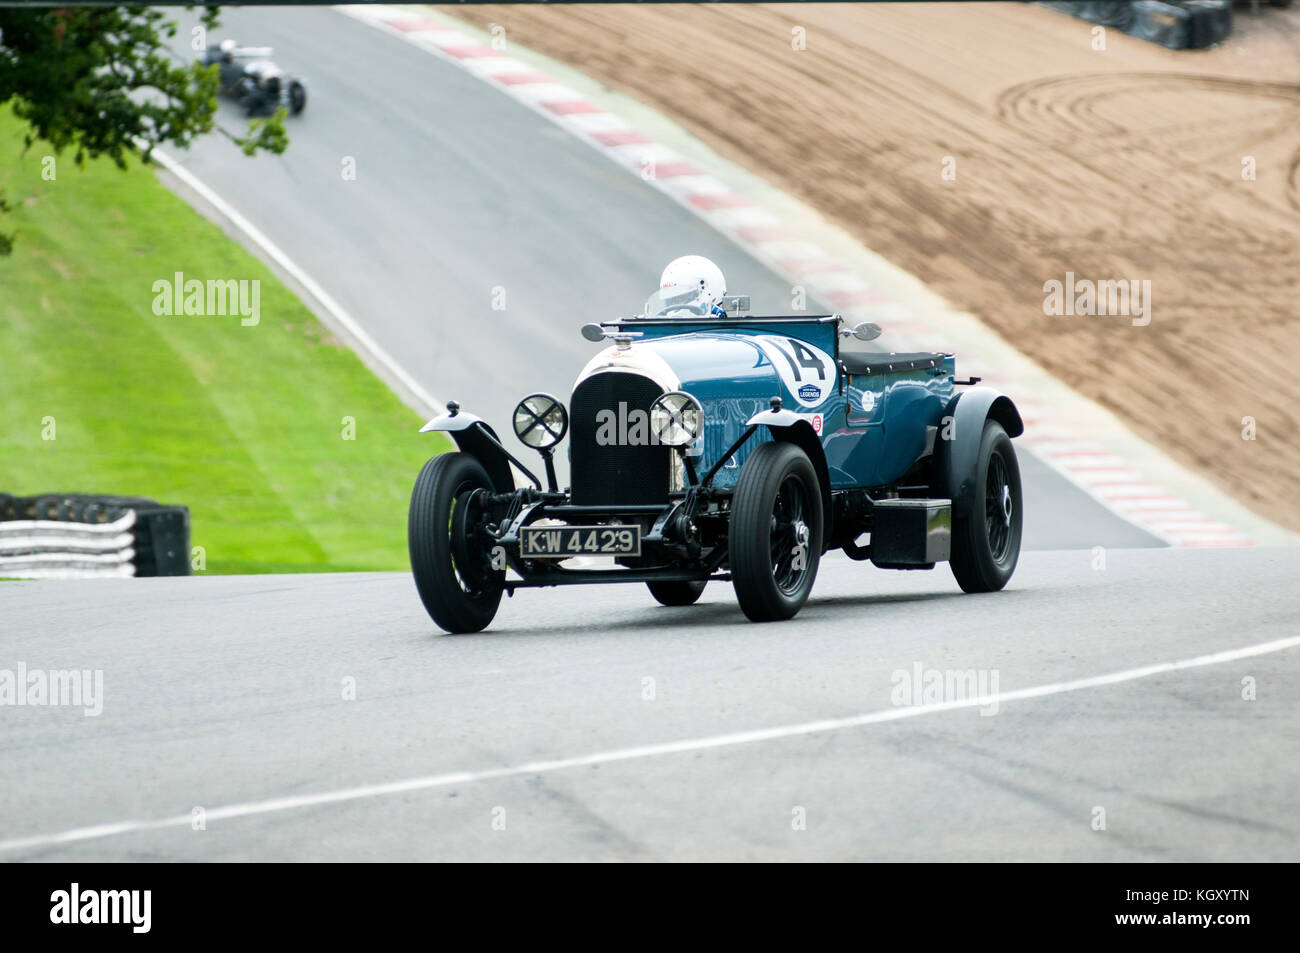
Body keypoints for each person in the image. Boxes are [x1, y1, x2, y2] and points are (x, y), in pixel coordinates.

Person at [656, 256, 728, 317]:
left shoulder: (723, 330)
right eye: (670, 299)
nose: (673, 305)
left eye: (679, 298)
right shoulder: (660, 329)